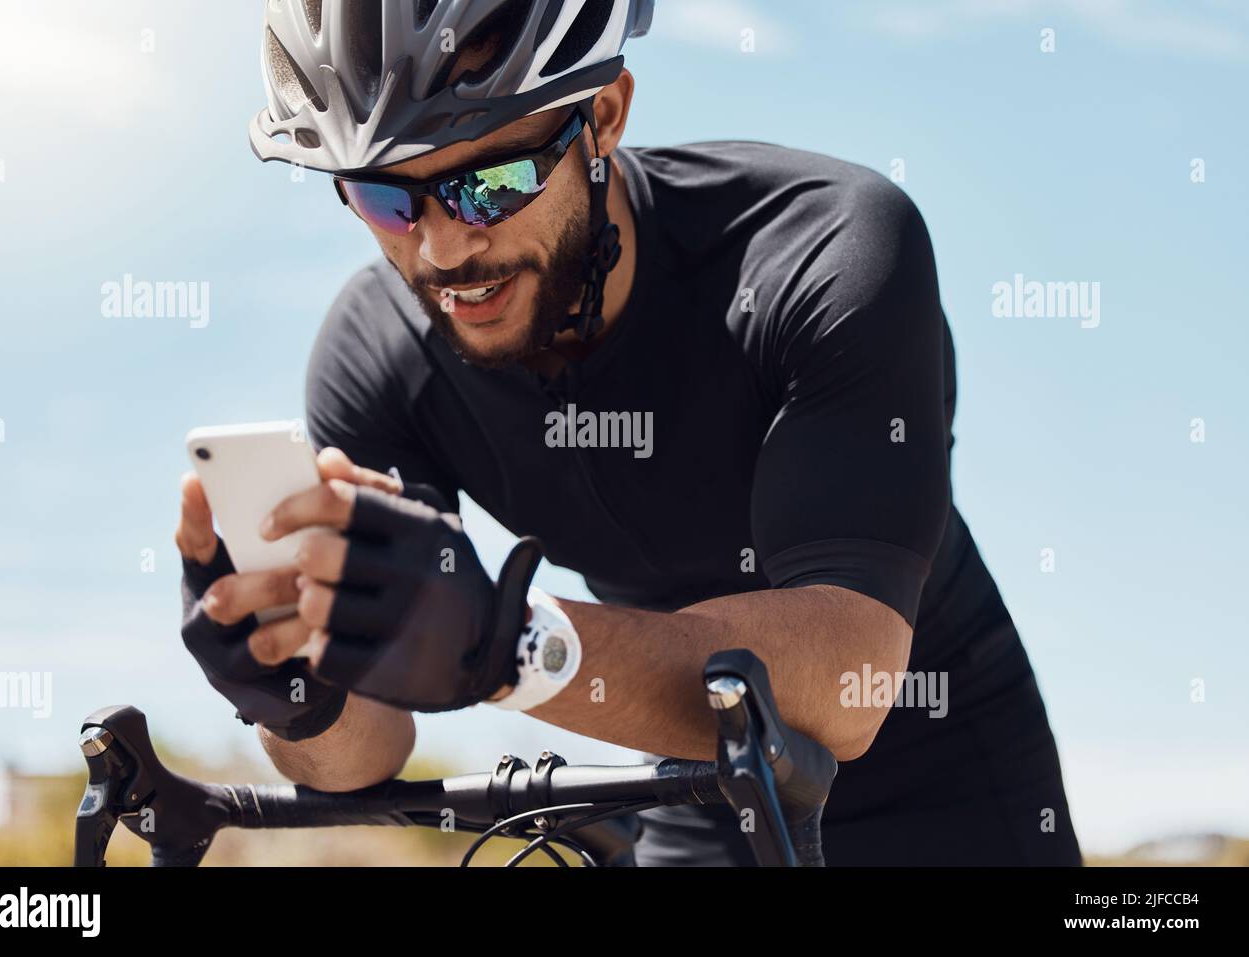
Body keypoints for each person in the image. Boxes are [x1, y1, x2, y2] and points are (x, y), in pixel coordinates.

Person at [176, 0, 1081, 866]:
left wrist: (504, 642)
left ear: (603, 116)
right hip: (694, 785)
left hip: (947, 779)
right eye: (384, 201)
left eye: (488, 184)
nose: (442, 251)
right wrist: (295, 692)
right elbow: (366, 754)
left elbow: (848, 684)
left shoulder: (827, 244)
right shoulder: (374, 356)